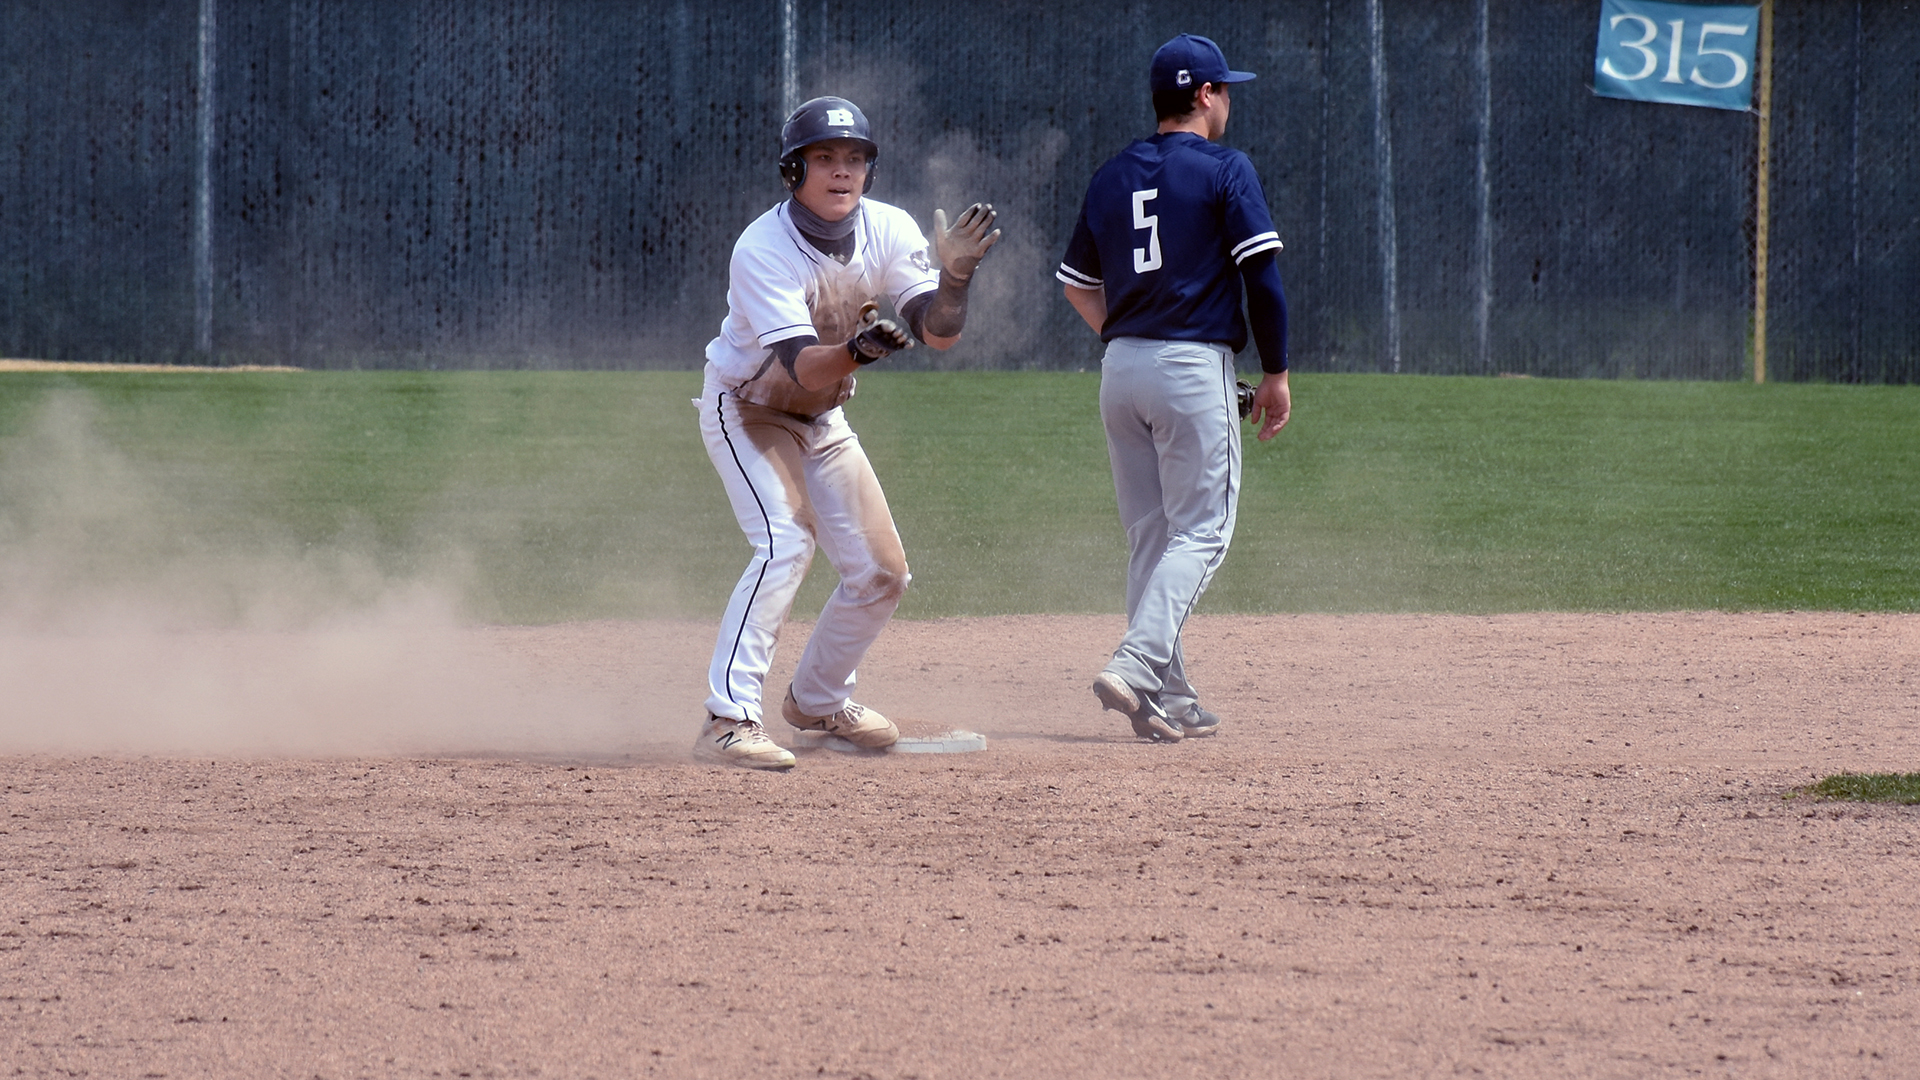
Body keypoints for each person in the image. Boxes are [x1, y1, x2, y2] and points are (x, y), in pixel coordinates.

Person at [693, 96, 1000, 769]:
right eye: (825, 159)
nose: (842, 171)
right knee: (785, 541)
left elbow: (939, 332)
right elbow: (802, 365)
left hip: (823, 418)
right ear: (792, 171)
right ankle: (728, 717)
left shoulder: (888, 228)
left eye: (855, 158)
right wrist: (858, 351)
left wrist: (955, 278)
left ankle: (818, 700)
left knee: (883, 574)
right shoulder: (763, 248)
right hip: (748, 409)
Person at [1056, 34, 1292, 743]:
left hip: (1120, 366)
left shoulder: (1111, 173)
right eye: (1225, 90)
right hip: (1191, 368)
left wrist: (1130, 336)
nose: (1228, 102)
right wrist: (1277, 374)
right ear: (1204, 95)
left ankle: (1171, 697)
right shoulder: (1225, 167)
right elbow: (1264, 281)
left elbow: (1075, 286)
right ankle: (1135, 664)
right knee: (1203, 532)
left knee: (1151, 538)